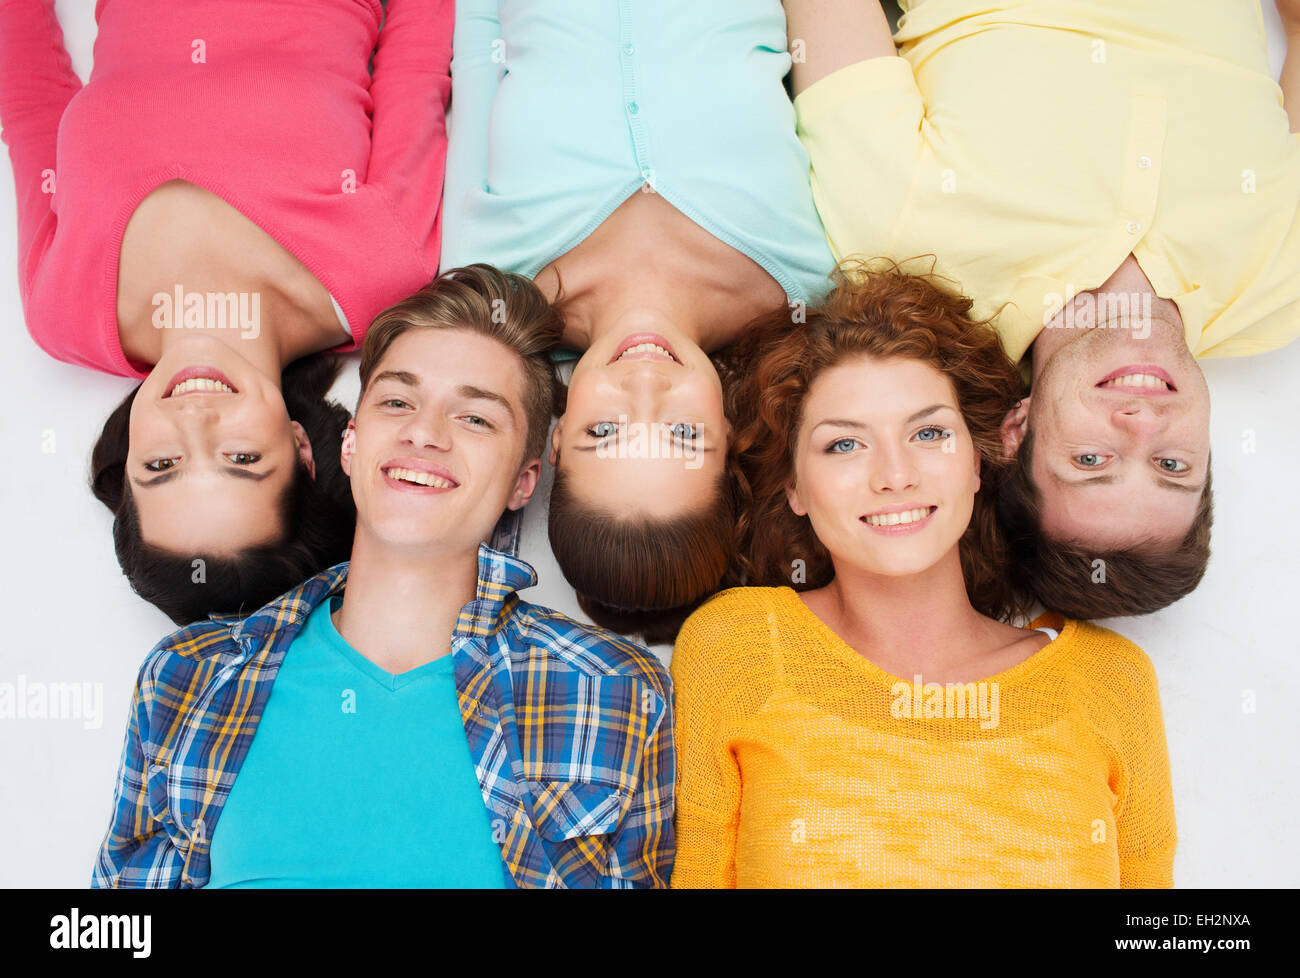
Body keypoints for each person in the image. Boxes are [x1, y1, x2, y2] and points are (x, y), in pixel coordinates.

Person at [91, 266, 675, 889]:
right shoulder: (188, 678)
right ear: (351, 443)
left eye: (475, 418)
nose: (424, 432)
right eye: (397, 401)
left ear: (522, 483)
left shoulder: (612, 688)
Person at [781, 0, 1300, 616]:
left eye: (1091, 460)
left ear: (1016, 431)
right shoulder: (1281, 286)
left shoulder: (903, 238)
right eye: (1171, 463)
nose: (1141, 424)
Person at [670, 266, 1176, 887]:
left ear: (976, 462)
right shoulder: (738, 647)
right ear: (795, 487)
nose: (894, 474)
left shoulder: (1109, 682)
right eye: (844, 445)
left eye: (929, 432)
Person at [0, 0, 452, 623]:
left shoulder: (65, 310)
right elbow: (417, 58)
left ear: (128, 459)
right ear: (301, 449)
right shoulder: (379, 273)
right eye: (241, 459)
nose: (196, 421)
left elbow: (29, 104)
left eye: (161, 465)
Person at [442, 0, 837, 642]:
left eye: (605, 430)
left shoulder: (488, 279)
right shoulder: (806, 278)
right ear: (731, 433)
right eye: (683, 433)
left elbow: (482, 49)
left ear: (558, 438)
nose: (644, 384)